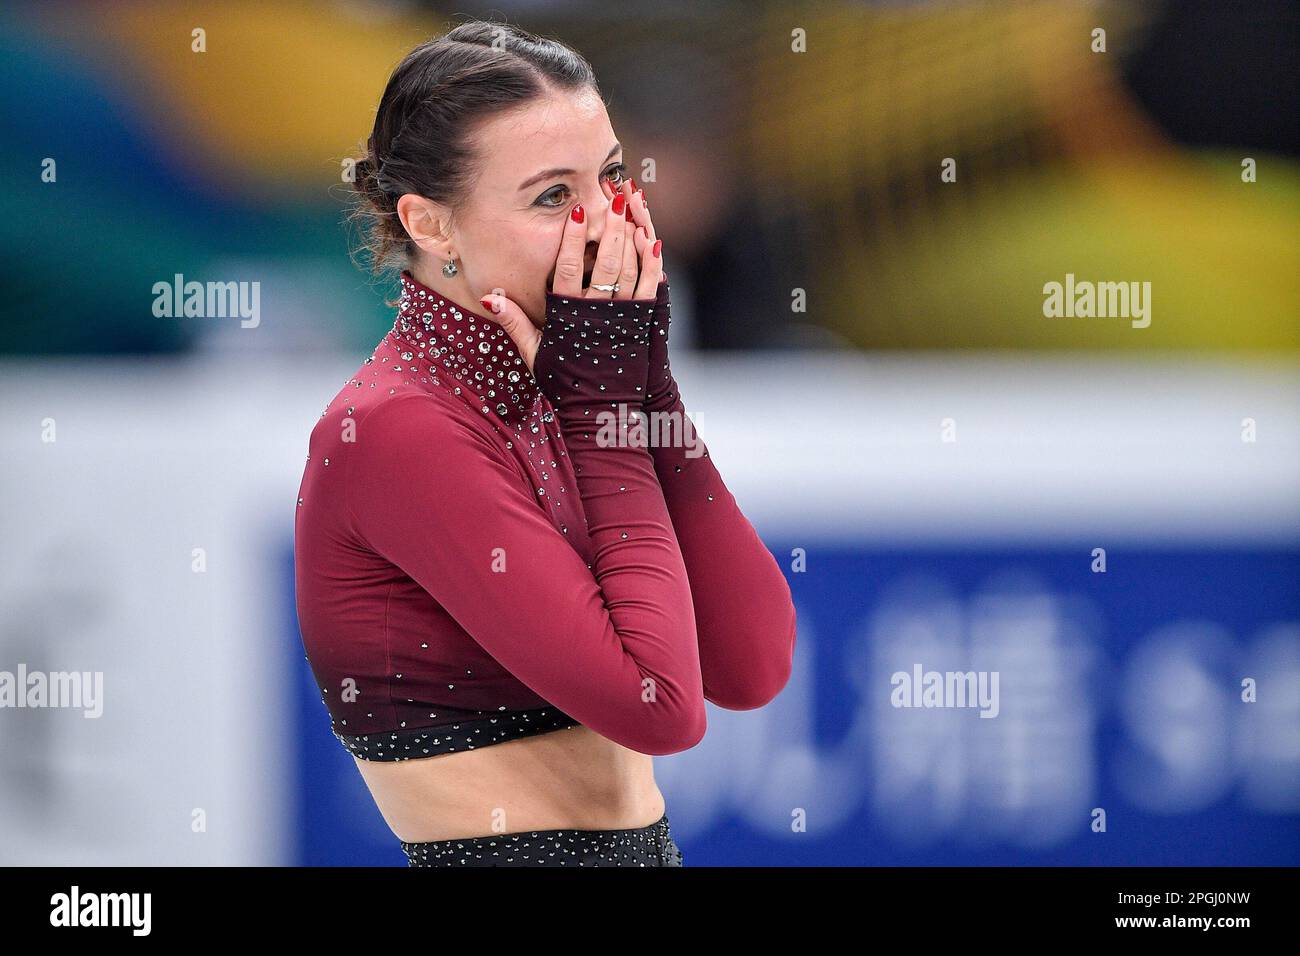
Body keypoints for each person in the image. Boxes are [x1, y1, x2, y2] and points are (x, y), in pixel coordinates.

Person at [294, 19, 796, 867]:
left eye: (608, 176)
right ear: (431, 225)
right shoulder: (398, 430)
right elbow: (661, 707)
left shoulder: (558, 389)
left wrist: (646, 389)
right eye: (551, 197)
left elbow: (752, 666)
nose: (603, 222)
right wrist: (605, 405)